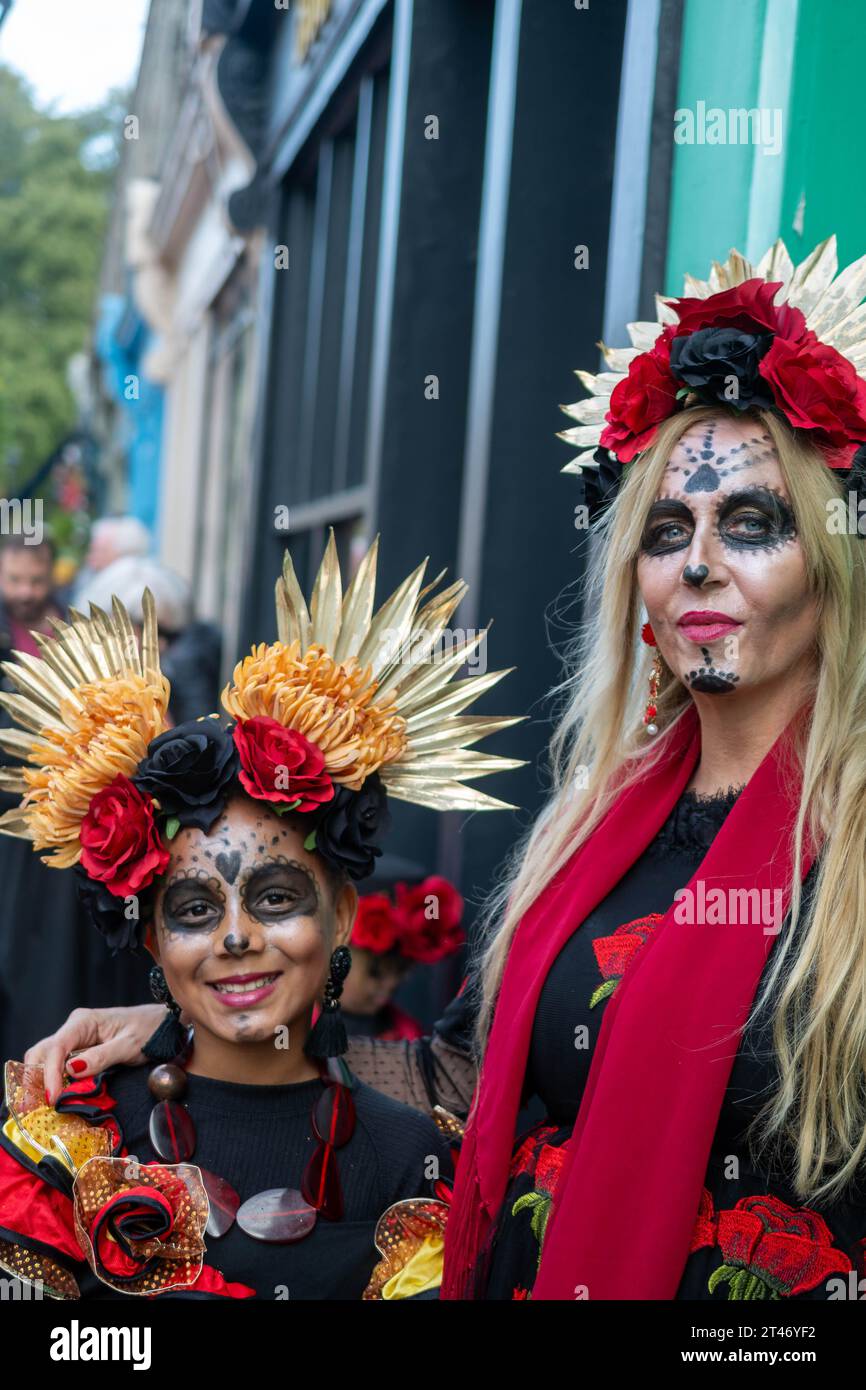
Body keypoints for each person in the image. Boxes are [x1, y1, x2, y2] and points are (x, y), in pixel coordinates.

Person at [31, 235, 866, 1303]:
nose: (698, 559)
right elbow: (463, 1082)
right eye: (666, 528)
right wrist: (217, 1027)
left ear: (832, 560)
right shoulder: (589, 832)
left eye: (749, 522)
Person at [0, 535, 522, 1299]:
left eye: (276, 898)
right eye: (194, 908)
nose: (237, 936)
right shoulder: (78, 1136)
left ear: (342, 914)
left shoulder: (412, 1155)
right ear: (151, 938)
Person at [77, 555, 222, 725]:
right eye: (150, 632)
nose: (161, 644)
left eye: (167, 634)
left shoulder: (179, 679)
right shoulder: (87, 681)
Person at [340, 856, 465, 1042]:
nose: (390, 984)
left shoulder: (407, 1036)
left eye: (401, 971)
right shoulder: (292, 1033)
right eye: (375, 973)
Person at [71, 515, 150, 608]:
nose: (90, 558)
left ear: (122, 553)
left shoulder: (132, 582)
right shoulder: (93, 577)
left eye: (98, 550)